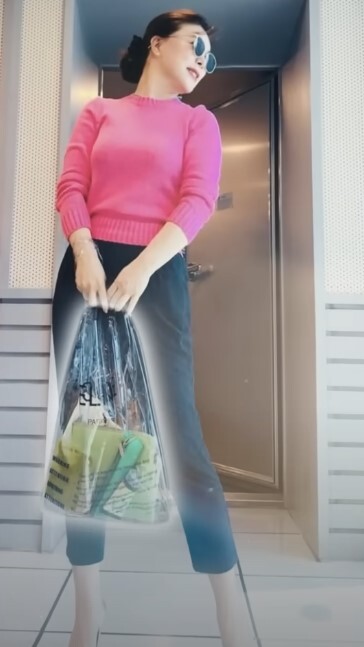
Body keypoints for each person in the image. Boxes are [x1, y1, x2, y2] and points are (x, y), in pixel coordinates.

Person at [50, 10, 252, 647]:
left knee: (180, 437)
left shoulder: (199, 122)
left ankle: (228, 608)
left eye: (210, 57)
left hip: (156, 278)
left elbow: (197, 199)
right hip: (83, 276)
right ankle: (88, 607)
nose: (203, 61)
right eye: (196, 45)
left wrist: (140, 267)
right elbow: (71, 187)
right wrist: (84, 251)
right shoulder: (100, 112)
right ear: (158, 43)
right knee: (83, 436)